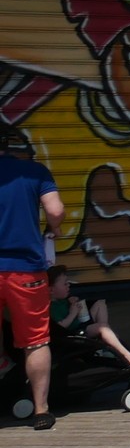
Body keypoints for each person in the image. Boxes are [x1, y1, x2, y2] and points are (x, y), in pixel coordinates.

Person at [1, 130, 65, 428]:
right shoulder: (33, 171)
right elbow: (55, 210)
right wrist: (55, 230)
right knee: (35, 341)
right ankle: (41, 410)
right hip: (26, 270)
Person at [46, 265, 130, 369]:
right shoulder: (51, 307)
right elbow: (60, 327)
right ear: (51, 290)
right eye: (65, 284)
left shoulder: (62, 300)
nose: (68, 285)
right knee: (102, 328)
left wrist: (72, 302)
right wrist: (73, 313)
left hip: (81, 325)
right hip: (74, 333)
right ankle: (126, 355)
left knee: (100, 303)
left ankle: (103, 339)